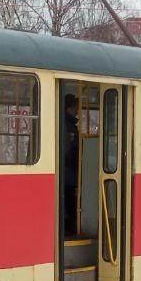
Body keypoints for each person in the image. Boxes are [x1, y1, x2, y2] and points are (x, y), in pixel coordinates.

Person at [62, 94, 79, 233]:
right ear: (70, 107)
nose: (78, 110)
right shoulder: (68, 126)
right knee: (69, 204)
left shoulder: (69, 124)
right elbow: (70, 150)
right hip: (68, 174)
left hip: (68, 173)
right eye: (76, 107)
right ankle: (71, 229)